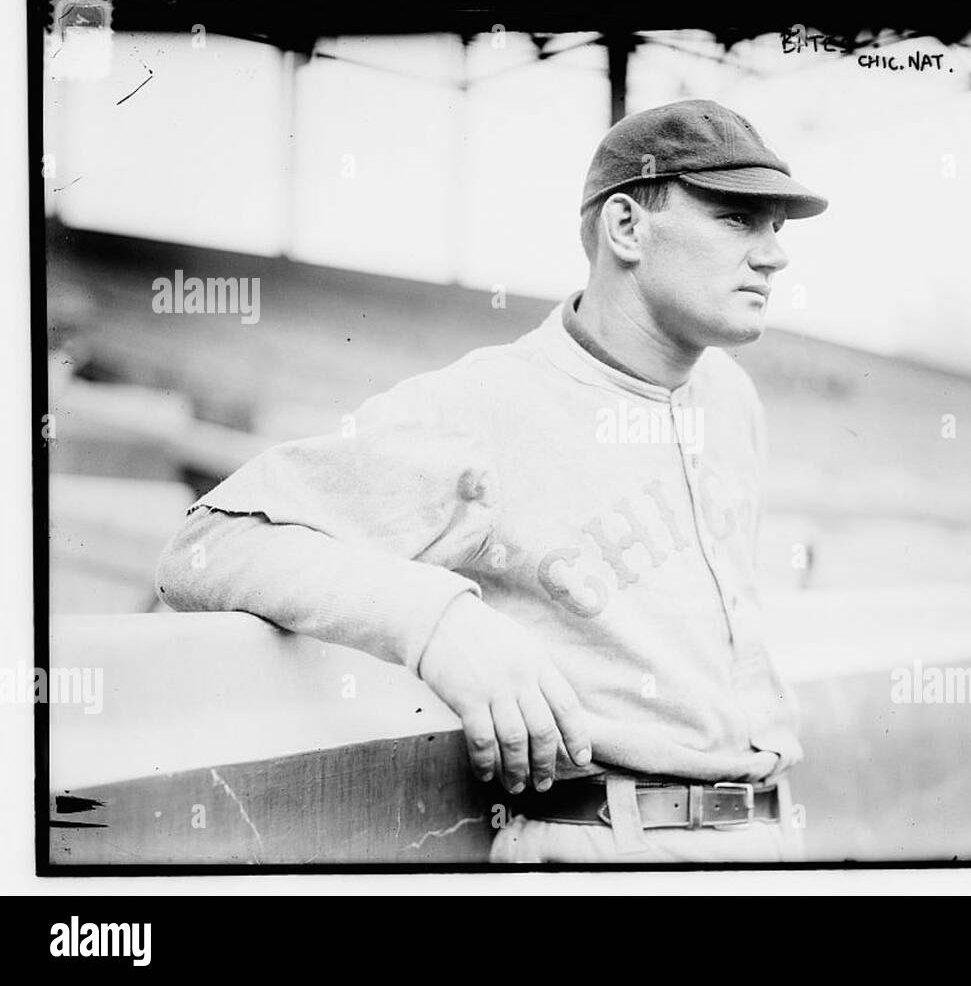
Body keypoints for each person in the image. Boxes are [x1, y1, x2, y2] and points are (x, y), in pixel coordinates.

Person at [155, 99, 829, 863]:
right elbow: (207, 545)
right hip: (608, 842)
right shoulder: (479, 409)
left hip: (771, 834)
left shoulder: (733, 398)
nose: (775, 254)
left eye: (778, 226)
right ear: (626, 227)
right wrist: (439, 623)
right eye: (740, 219)